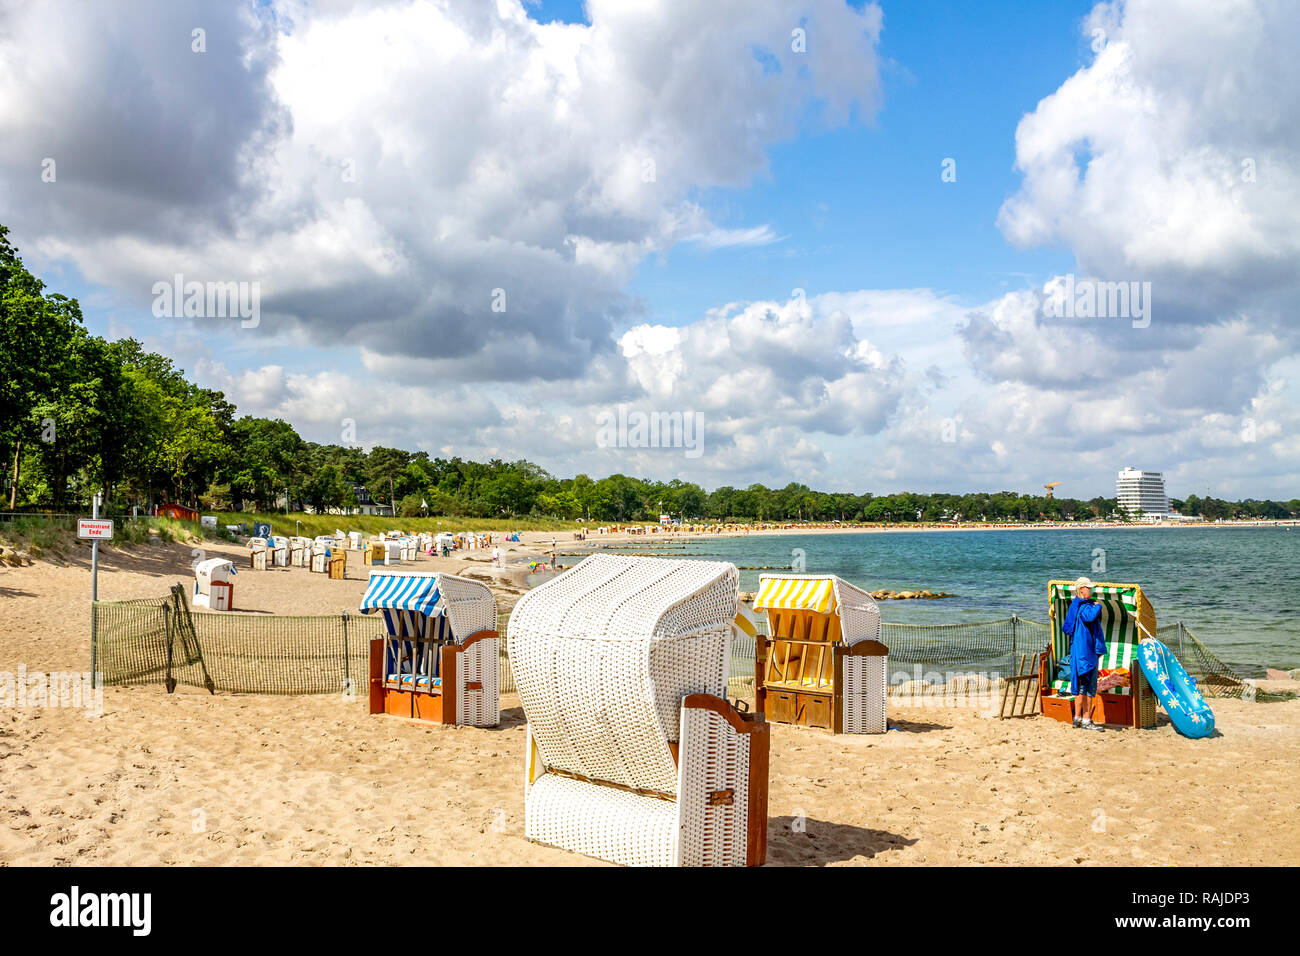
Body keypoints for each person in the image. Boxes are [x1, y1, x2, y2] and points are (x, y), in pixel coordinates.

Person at [1063, 575, 1107, 731]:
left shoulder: (1074, 606)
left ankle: (1077, 718)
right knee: (1089, 686)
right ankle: (1087, 720)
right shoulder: (1086, 606)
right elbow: (1089, 617)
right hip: (1086, 652)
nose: (1091, 590)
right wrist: (1098, 606)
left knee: (1080, 686)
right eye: (1089, 587)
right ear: (1082, 589)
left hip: (1077, 650)